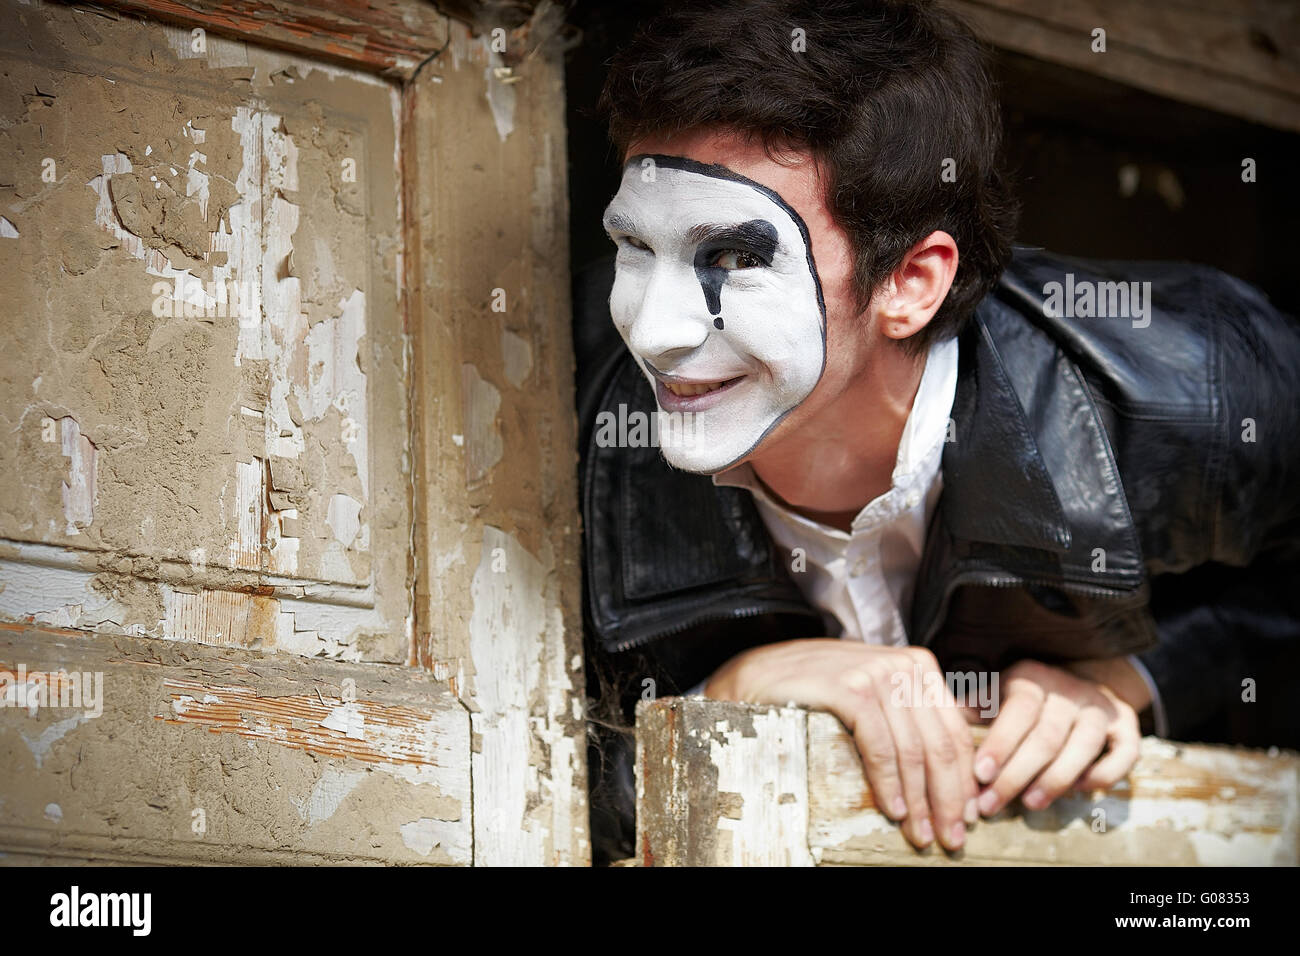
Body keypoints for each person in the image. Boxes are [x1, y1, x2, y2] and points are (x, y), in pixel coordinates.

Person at [574, 0, 1300, 865]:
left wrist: (1133, 680)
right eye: (634, 248)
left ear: (912, 281)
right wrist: (724, 694)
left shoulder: (1195, 389)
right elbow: (512, 780)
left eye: (731, 258)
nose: (655, 330)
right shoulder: (564, 433)